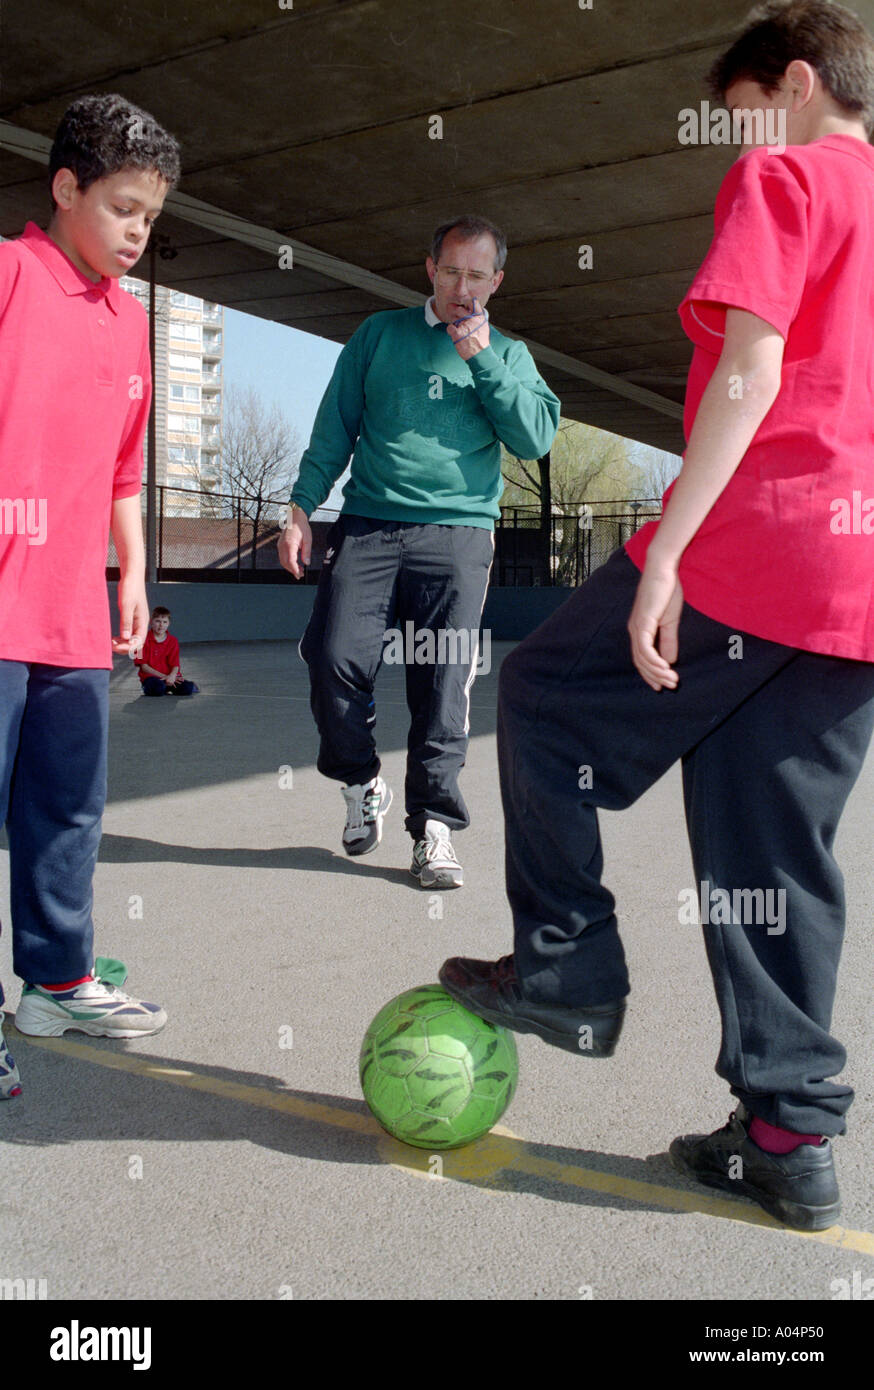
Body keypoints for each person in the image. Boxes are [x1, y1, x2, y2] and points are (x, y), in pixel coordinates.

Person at [439, 0, 874, 1231]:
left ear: (792, 82)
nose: (732, 143)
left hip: (760, 543)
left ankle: (570, 973)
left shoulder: (786, 175)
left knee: (538, 696)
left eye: (738, 114)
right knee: (768, 850)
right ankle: (786, 1135)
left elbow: (751, 369)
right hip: (857, 585)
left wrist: (670, 546)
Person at [279, 216, 560, 888]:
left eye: (478, 275)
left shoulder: (510, 354)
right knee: (331, 655)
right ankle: (362, 780)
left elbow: (534, 437)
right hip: (371, 524)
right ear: (430, 269)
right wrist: (297, 509)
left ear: (497, 281)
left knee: (442, 682)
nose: (464, 287)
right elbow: (332, 433)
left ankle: (433, 826)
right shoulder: (378, 336)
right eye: (452, 271)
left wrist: (481, 357)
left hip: (459, 534)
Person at [0, 93, 180, 1098]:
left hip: (69, 614)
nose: (137, 234)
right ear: (65, 189)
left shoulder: (128, 326)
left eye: (150, 218)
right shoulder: (9, 273)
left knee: (68, 809)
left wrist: (135, 574)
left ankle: (57, 980)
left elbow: (122, 471)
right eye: (122, 209)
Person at [135, 606, 199, 695]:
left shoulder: (173, 641)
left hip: (170, 677)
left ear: (169, 623)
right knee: (158, 688)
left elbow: (175, 664)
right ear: (151, 622)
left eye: (165, 622)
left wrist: (172, 676)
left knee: (187, 688)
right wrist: (165, 677)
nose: (161, 625)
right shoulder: (141, 640)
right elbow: (144, 667)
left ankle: (185, 685)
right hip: (152, 677)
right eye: (157, 621)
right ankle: (160, 687)